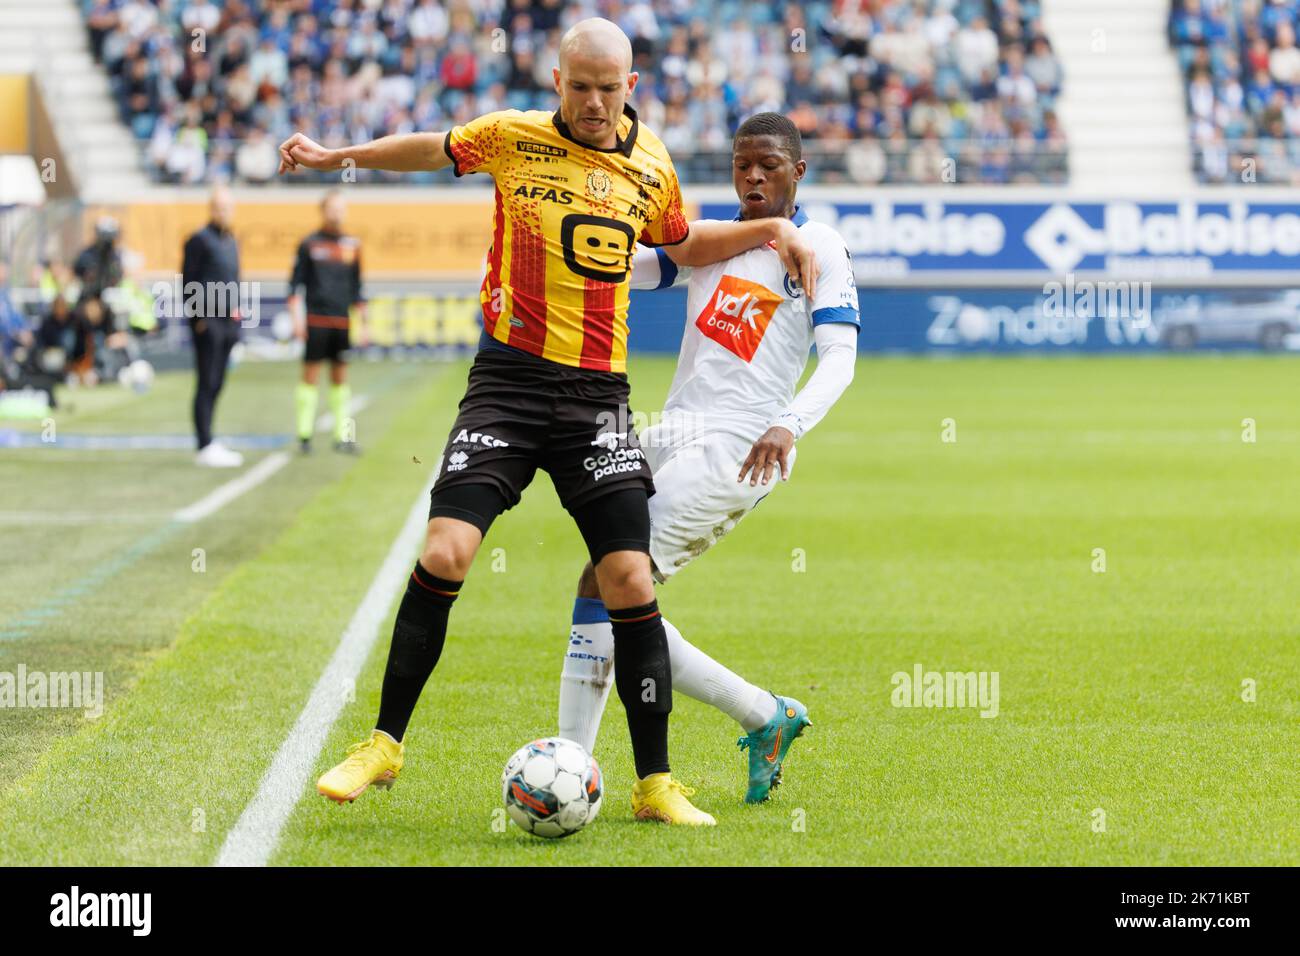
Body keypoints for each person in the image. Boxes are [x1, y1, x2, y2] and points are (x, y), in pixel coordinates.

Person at [278, 17, 817, 826]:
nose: (595, 102)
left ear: (630, 87)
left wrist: (770, 228)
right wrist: (335, 157)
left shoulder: (653, 163)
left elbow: (684, 242)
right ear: (557, 82)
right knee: (446, 550)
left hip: (597, 398)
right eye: (581, 86)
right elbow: (430, 148)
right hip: (507, 385)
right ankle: (383, 745)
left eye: (610, 88)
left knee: (628, 578)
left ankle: (654, 783)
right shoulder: (513, 139)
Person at [558, 112, 860, 802]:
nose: (753, 177)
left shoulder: (818, 246)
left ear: (798, 172)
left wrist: (789, 426)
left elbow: (840, 359)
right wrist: (573, 238)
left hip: (742, 446)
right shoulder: (714, 241)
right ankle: (762, 715)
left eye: (769, 166)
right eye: (743, 164)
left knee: (616, 582)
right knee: (599, 582)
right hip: (671, 431)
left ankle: (574, 770)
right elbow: (630, 269)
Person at [288, 189, 366, 454]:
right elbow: (294, 286)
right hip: (315, 320)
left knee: (340, 379)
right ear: (323, 210)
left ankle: (342, 437)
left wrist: (363, 324)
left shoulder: (353, 246)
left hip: (342, 322)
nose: (337, 213)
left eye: (341, 209)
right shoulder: (309, 244)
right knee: (309, 376)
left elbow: (357, 289)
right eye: (332, 208)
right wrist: (297, 320)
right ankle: (304, 435)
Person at [181, 185, 244, 468]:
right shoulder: (199, 240)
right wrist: (199, 320)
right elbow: (189, 281)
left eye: (228, 207)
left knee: (218, 381)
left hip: (229, 321)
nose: (224, 212)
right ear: (211, 208)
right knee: (206, 381)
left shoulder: (231, 241)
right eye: (219, 207)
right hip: (208, 322)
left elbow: (234, 278)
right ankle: (203, 442)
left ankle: (210, 438)